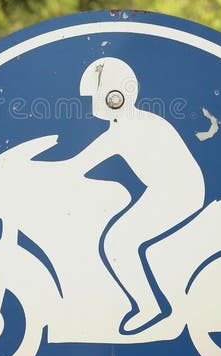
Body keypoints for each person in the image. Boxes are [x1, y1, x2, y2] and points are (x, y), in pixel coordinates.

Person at [76, 57, 205, 333]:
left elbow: (78, 164)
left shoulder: (131, 126)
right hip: (170, 189)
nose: (93, 104)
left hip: (177, 191)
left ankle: (149, 306)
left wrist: (43, 171)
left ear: (116, 94)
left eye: (96, 96)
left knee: (117, 243)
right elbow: (80, 162)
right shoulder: (129, 124)